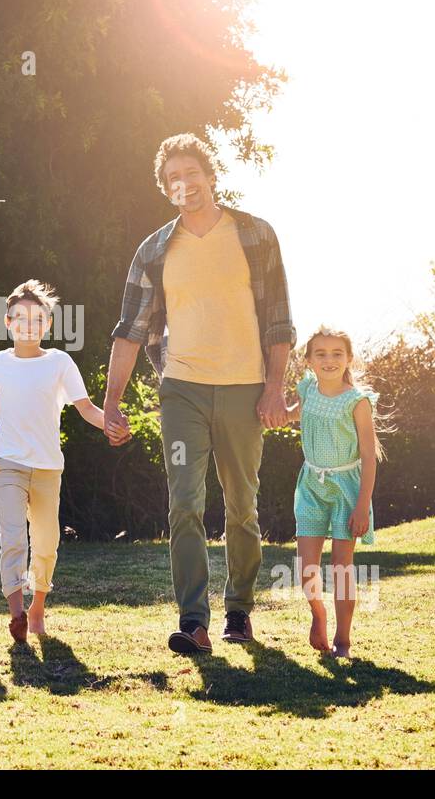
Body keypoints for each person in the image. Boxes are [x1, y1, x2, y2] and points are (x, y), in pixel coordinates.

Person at [104, 133, 296, 655]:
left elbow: (279, 321)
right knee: (184, 502)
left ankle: (238, 610)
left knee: (242, 506)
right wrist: (112, 401)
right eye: (173, 180)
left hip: (243, 387)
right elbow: (130, 328)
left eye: (192, 174)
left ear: (211, 176)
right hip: (182, 388)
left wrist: (274, 388)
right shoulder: (155, 250)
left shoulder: (255, 235)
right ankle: (194, 622)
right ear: (166, 189)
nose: (184, 185)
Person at [0, 279, 106, 641]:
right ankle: (16, 613)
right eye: (20, 318)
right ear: (8, 323)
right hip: (8, 463)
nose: (28, 324)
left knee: (46, 542)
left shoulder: (60, 362)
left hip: (47, 467)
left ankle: (37, 608)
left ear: (46, 325)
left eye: (36, 319)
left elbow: (86, 408)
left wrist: (113, 423)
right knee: (13, 538)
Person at [286, 326, 384, 658]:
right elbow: (293, 414)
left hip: (347, 489)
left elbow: (370, 458)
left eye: (337, 354)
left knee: (343, 568)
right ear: (309, 360)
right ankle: (318, 613)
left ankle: (343, 640)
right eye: (321, 354)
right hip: (312, 485)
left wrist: (362, 506)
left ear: (348, 359)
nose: (329, 360)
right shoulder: (307, 389)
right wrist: (270, 411)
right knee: (306, 568)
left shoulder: (357, 402)